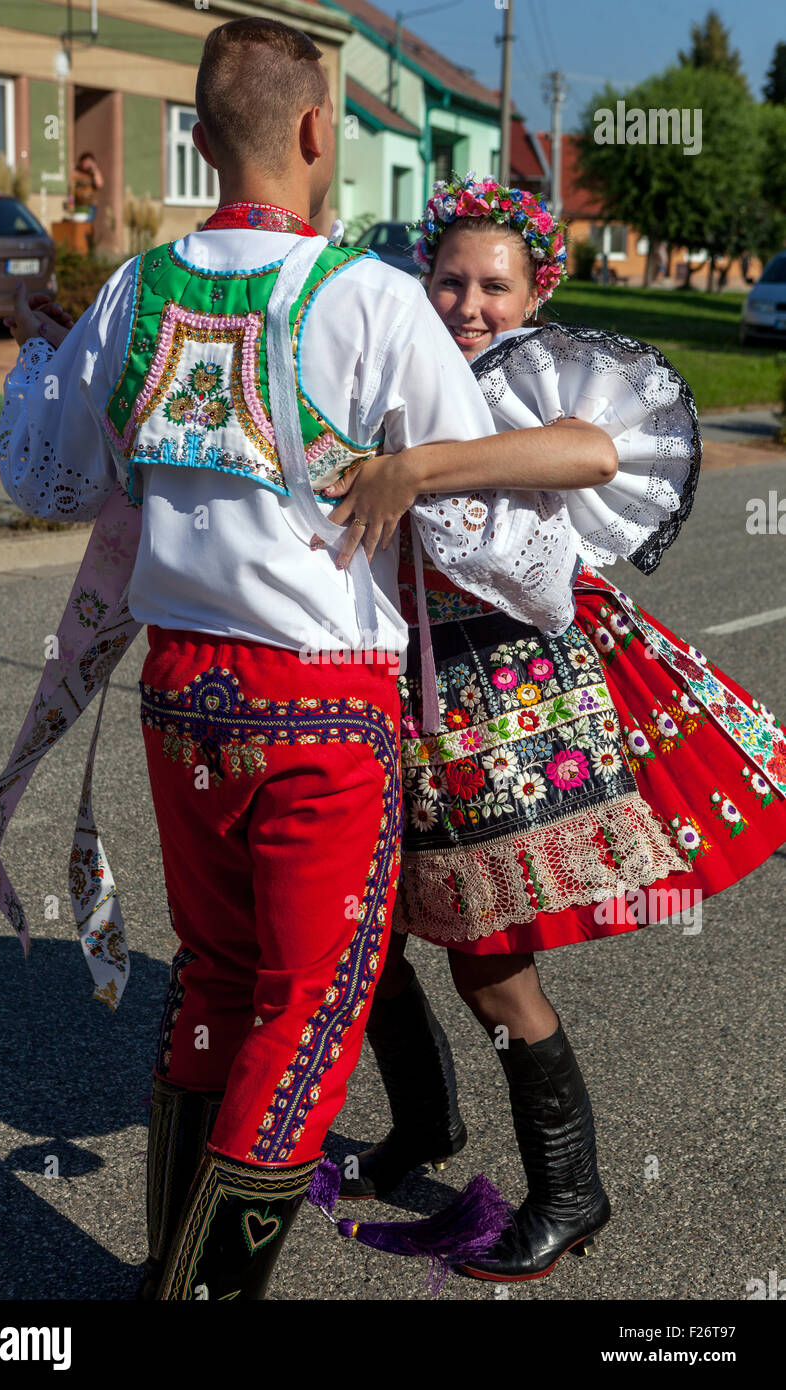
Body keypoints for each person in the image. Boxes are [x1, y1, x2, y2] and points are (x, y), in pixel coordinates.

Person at [0, 28, 587, 1302]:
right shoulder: (371, 298)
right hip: (321, 715)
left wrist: (41, 357)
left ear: (204, 131)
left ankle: (163, 1272)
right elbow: (497, 551)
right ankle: (202, 1299)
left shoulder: (136, 285)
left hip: (184, 707)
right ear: (315, 132)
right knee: (306, 1011)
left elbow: (48, 472)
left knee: (220, 985)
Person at [313, 173, 786, 1283]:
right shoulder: (400, 368)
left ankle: (569, 1191)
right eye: (448, 279)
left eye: (492, 284)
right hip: (404, 693)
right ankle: (425, 1125)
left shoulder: (530, 377)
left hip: (511, 700)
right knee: (369, 929)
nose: (466, 303)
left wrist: (418, 465)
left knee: (488, 965)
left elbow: (587, 453)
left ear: (536, 292)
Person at [70, 151, 104, 222]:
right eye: (85, 161)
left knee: (86, 227)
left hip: (90, 206)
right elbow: (70, 190)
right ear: (81, 161)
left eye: (89, 162)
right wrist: (70, 204)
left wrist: (94, 169)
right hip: (77, 206)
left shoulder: (93, 174)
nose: (87, 164)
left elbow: (100, 184)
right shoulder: (76, 173)